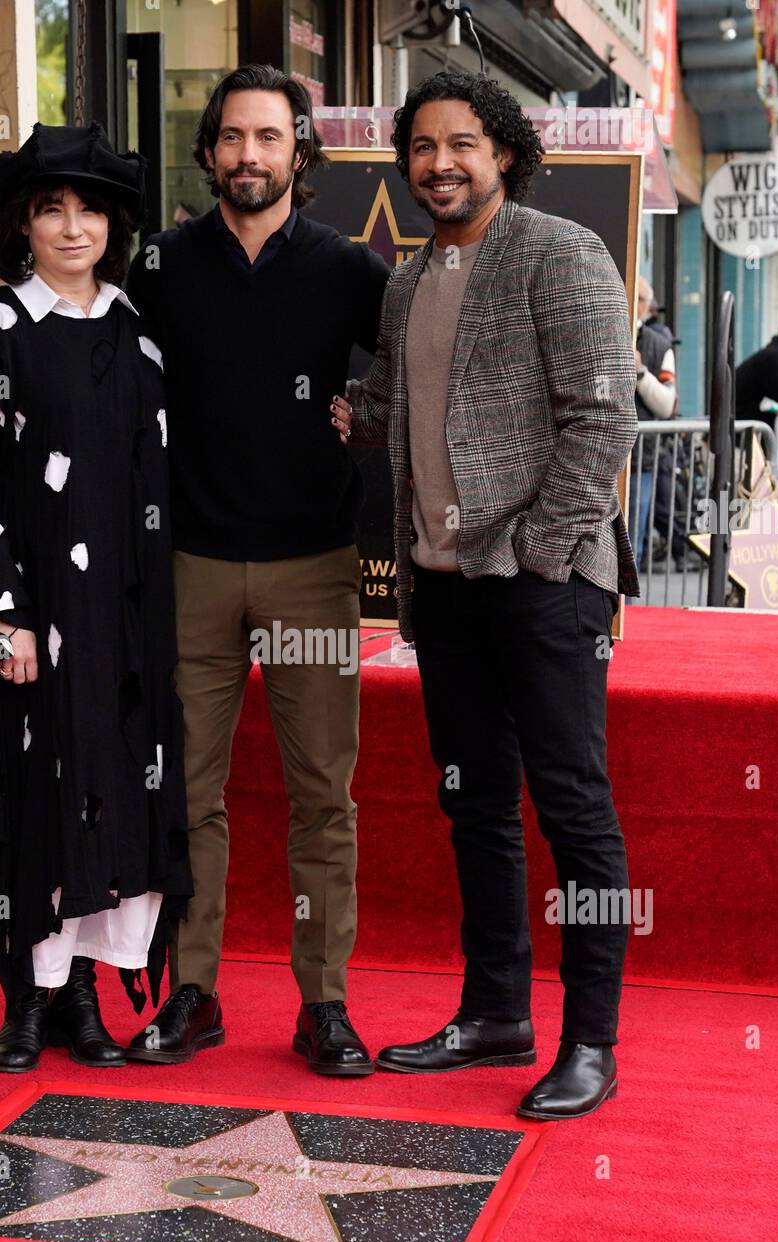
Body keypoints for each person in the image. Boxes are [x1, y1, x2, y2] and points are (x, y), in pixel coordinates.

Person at [332, 71, 640, 1120]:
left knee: (573, 809)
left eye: (461, 144)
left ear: (503, 152)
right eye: (420, 148)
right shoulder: (407, 283)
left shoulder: (559, 253)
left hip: (543, 587)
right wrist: (345, 412)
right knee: (474, 804)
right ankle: (495, 1010)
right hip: (445, 587)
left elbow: (602, 419)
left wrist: (545, 552)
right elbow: (400, 410)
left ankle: (589, 1039)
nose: (439, 165)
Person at [124, 64, 389, 1075]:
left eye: (268, 138)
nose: (248, 154)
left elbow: (420, 369)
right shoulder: (157, 268)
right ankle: (193, 991)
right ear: (207, 152)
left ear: (299, 155)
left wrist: (365, 415)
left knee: (324, 796)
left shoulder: (346, 270)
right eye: (232, 137)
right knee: (187, 792)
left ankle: (323, 1001)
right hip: (187, 564)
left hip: (313, 570)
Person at [0, 122, 192, 1072]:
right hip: (31, 619)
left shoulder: (140, 339)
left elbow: (157, 486)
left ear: (113, 224)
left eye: (90, 209)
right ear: (23, 225)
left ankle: (83, 997)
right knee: (28, 795)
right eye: (52, 209)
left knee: (113, 795)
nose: (73, 227)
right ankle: (26, 1004)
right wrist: (4, 613)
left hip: (120, 623)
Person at [631, 277, 678, 572]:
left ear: (646, 306)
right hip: (591, 457)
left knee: (631, 542)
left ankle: (628, 616)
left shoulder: (659, 346)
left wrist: (641, 373)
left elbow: (668, 406)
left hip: (639, 460)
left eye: (638, 299)